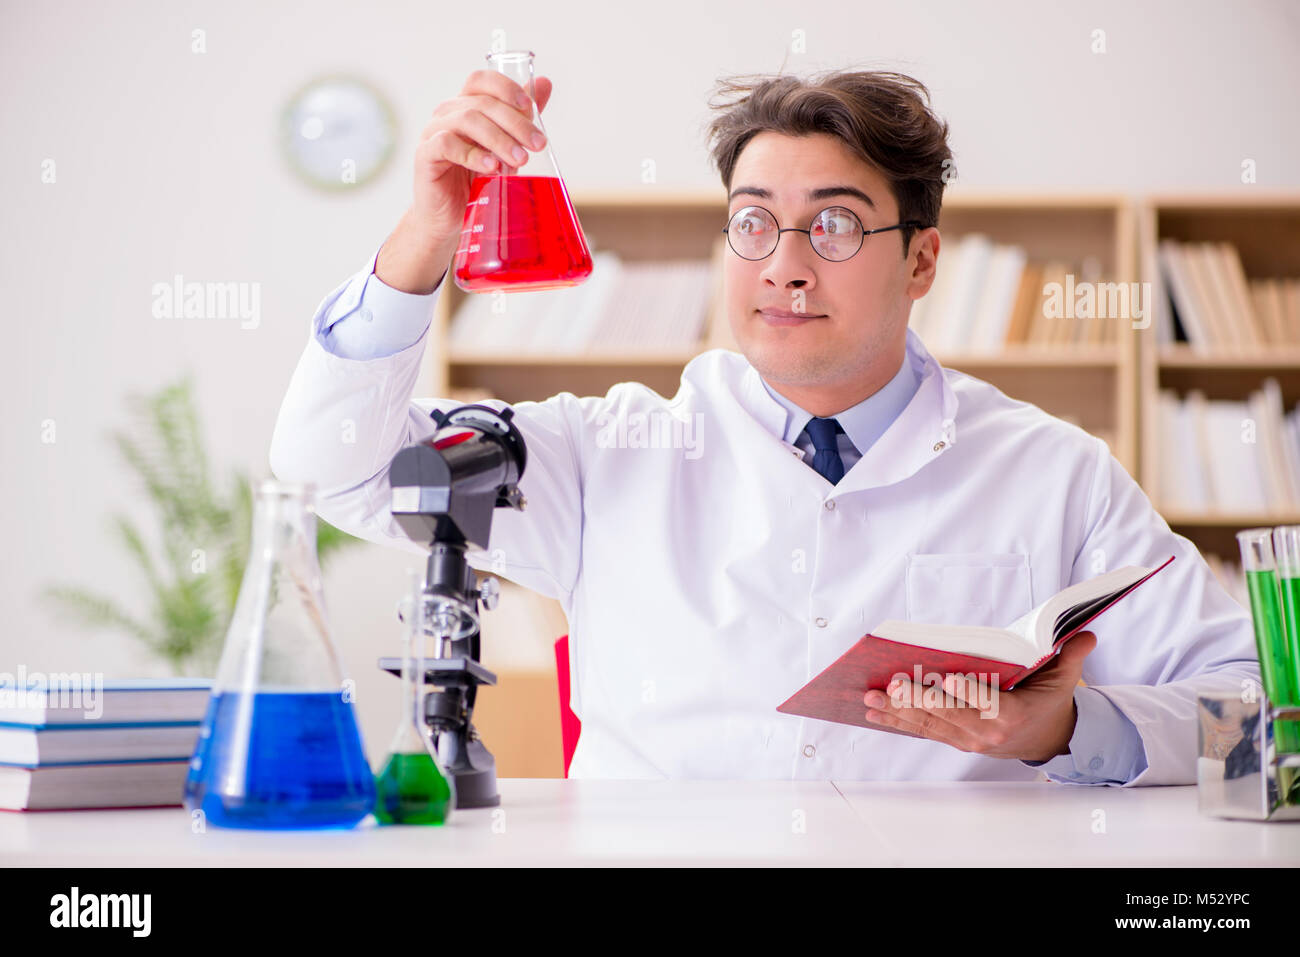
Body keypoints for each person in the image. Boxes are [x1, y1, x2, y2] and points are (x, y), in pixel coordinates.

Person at [269, 66, 1260, 785]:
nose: (783, 263)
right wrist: (424, 235)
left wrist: (1067, 728)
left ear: (920, 263)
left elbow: (1254, 711)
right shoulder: (604, 450)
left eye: (831, 224)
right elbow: (338, 479)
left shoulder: (1054, 473)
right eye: (753, 222)